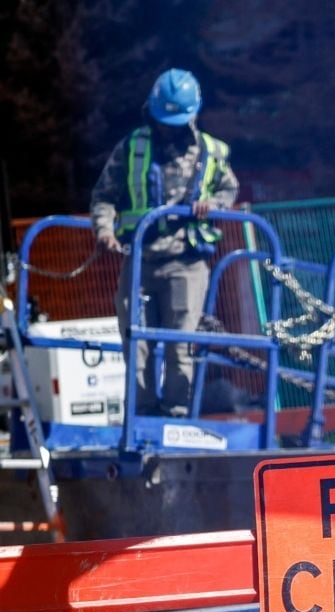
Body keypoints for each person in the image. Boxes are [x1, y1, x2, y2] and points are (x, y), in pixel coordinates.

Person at [91, 68, 238, 417]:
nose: (169, 127)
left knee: (180, 344)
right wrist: (105, 230)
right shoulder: (132, 147)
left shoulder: (210, 151)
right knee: (136, 340)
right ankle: (141, 412)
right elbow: (104, 196)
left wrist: (212, 206)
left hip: (186, 262)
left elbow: (229, 190)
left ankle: (176, 411)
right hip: (140, 260)